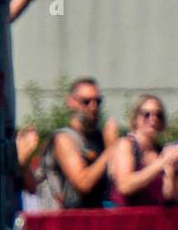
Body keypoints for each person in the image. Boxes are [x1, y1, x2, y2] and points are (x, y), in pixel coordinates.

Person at [38, 78, 118, 209]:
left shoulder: (100, 137)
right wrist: (111, 149)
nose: (93, 107)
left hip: (96, 219)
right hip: (65, 221)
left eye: (98, 101)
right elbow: (83, 183)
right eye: (86, 102)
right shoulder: (64, 139)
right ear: (72, 102)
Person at [108, 95, 178, 206]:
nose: (153, 119)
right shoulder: (126, 145)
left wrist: (171, 173)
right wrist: (160, 163)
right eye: (146, 114)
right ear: (136, 119)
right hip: (127, 219)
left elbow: (170, 196)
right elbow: (125, 186)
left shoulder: (161, 151)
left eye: (158, 115)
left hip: (154, 220)